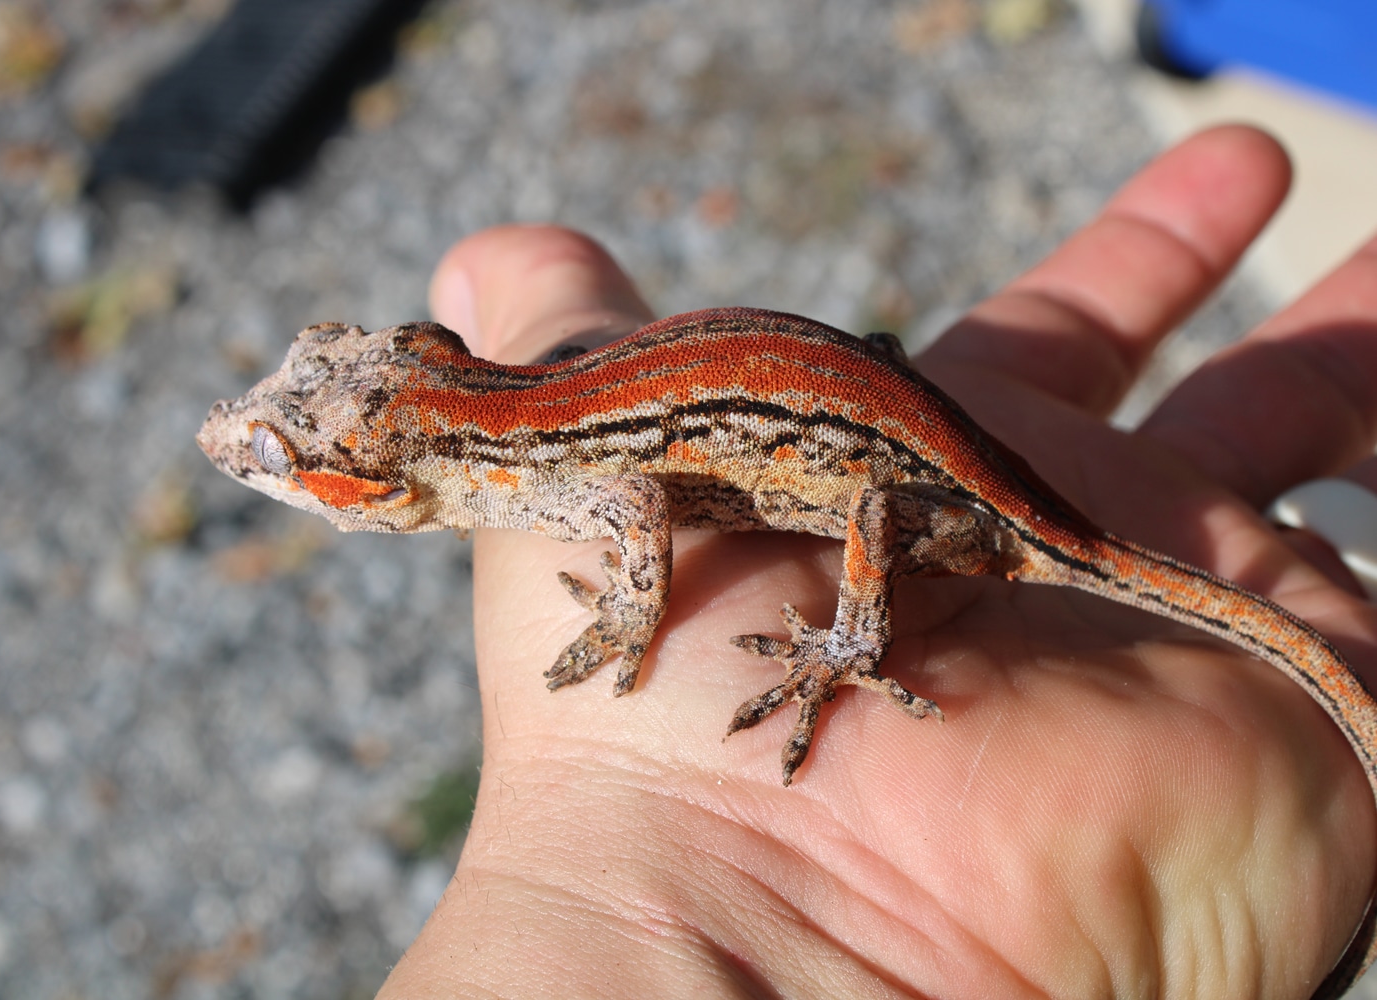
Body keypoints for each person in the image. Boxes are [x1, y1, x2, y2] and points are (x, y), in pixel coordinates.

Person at [378, 125, 1377, 998]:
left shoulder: (545, 461)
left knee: (874, 510)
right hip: (889, 414)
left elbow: (645, 502)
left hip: (965, 509)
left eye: (288, 458)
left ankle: (857, 640)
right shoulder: (540, 416)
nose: (243, 443)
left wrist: (772, 635)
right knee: (873, 482)